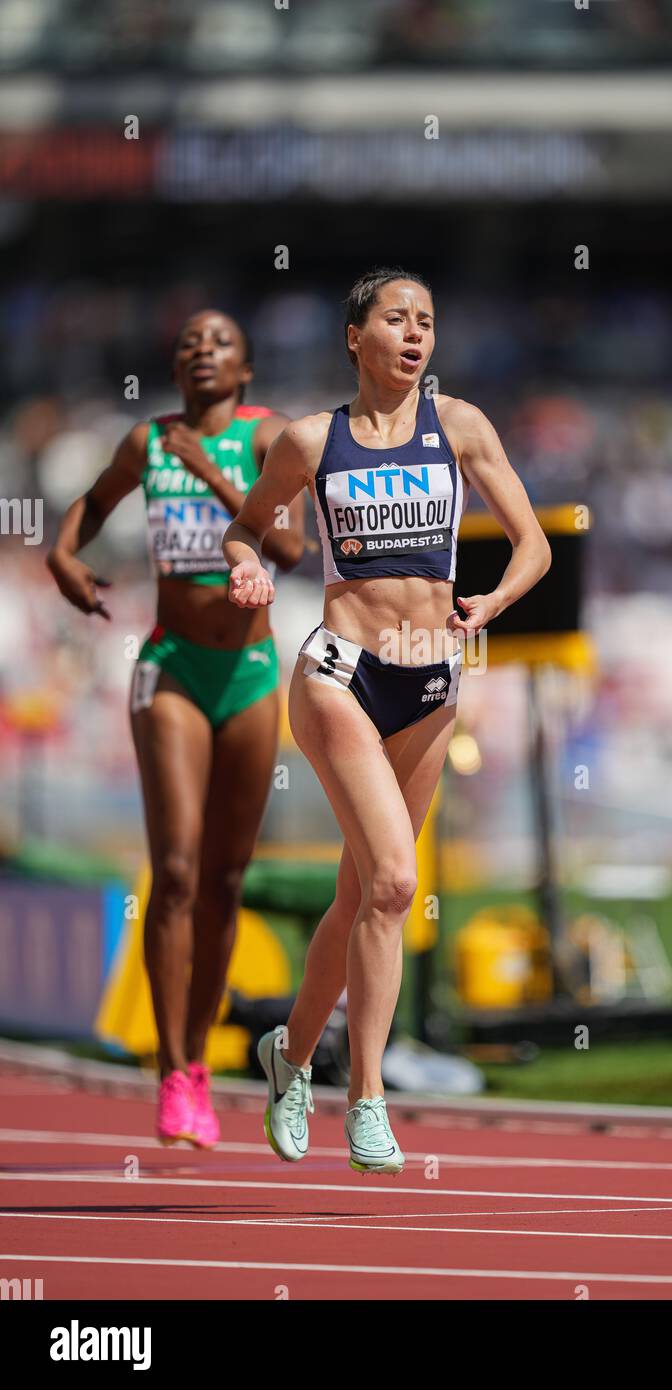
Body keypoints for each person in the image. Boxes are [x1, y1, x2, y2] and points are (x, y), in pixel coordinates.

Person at [223, 268, 550, 1173]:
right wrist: (247, 566)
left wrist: (491, 602)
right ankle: (367, 1096)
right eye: (397, 320)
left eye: (428, 322)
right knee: (397, 884)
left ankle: (288, 1059)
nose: (415, 335)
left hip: (432, 682)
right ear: (355, 337)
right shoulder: (310, 439)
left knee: (360, 896)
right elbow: (246, 527)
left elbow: (536, 544)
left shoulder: (465, 428)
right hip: (340, 676)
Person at [47, 310, 305, 1147]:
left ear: (247, 371)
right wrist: (63, 554)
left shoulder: (268, 438)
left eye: (220, 341)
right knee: (180, 869)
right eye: (189, 341)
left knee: (228, 880)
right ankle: (170, 1071)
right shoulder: (146, 441)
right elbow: (90, 505)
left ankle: (198, 1063)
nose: (201, 350)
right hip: (172, 667)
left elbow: (294, 549)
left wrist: (218, 478)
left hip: (253, 675)